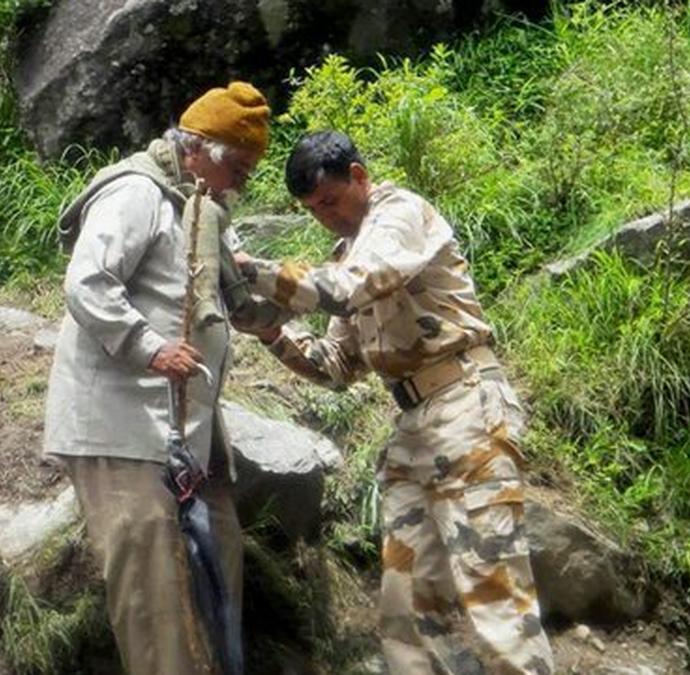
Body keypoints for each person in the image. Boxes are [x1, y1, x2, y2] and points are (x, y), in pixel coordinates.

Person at [235, 130, 554, 674]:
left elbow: (349, 286)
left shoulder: (399, 214)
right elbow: (337, 365)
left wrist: (252, 271)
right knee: (405, 609)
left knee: (494, 598)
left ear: (359, 176)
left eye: (330, 201)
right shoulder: (347, 252)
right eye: (312, 210)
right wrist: (268, 332)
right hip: (413, 429)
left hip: (467, 409)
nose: (324, 217)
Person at [43, 82, 290, 675]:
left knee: (212, 573)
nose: (239, 185)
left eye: (248, 175)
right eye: (238, 169)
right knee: (156, 601)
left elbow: (237, 298)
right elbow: (88, 282)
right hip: (122, 431)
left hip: (181, 437)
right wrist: (149, 348)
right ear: (197, 147)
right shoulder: (136, 195)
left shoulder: (202, 213)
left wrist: (308, 292)